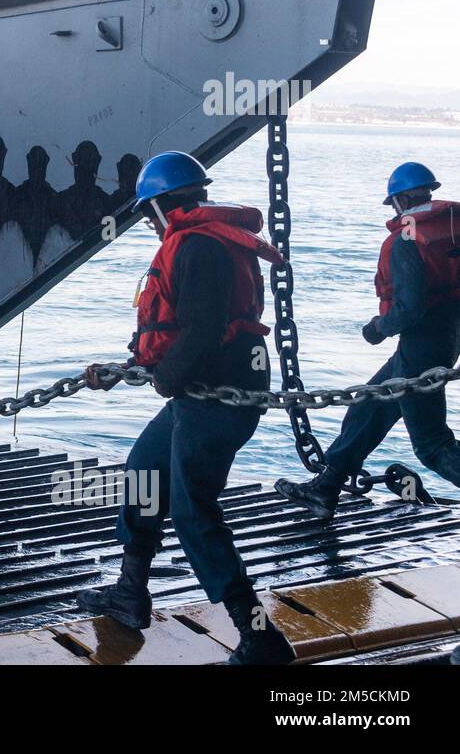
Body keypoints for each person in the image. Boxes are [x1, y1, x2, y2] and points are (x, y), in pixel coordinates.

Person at [79, 151, 296, 665]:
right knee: (143, 474)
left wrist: (164, 377)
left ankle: (260, 636)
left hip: (215, 396)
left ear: (158, 205)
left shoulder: (198, 246)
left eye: (146, 213)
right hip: (199, 391)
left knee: (193, 508)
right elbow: (185, 329)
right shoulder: (204, 239)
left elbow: (201, 327)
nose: (148, 225)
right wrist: (132, 367)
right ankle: (130, 594)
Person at [276, 162, 460, 514]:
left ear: (402, 199)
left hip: (421, 343)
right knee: (370, 405)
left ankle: (326, 487)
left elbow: (409, 307)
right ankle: (326, 488)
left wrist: (379, 328)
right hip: (447, 335)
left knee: (432, 444)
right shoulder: (450, 231)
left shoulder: (406, 240)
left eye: (394, 203)